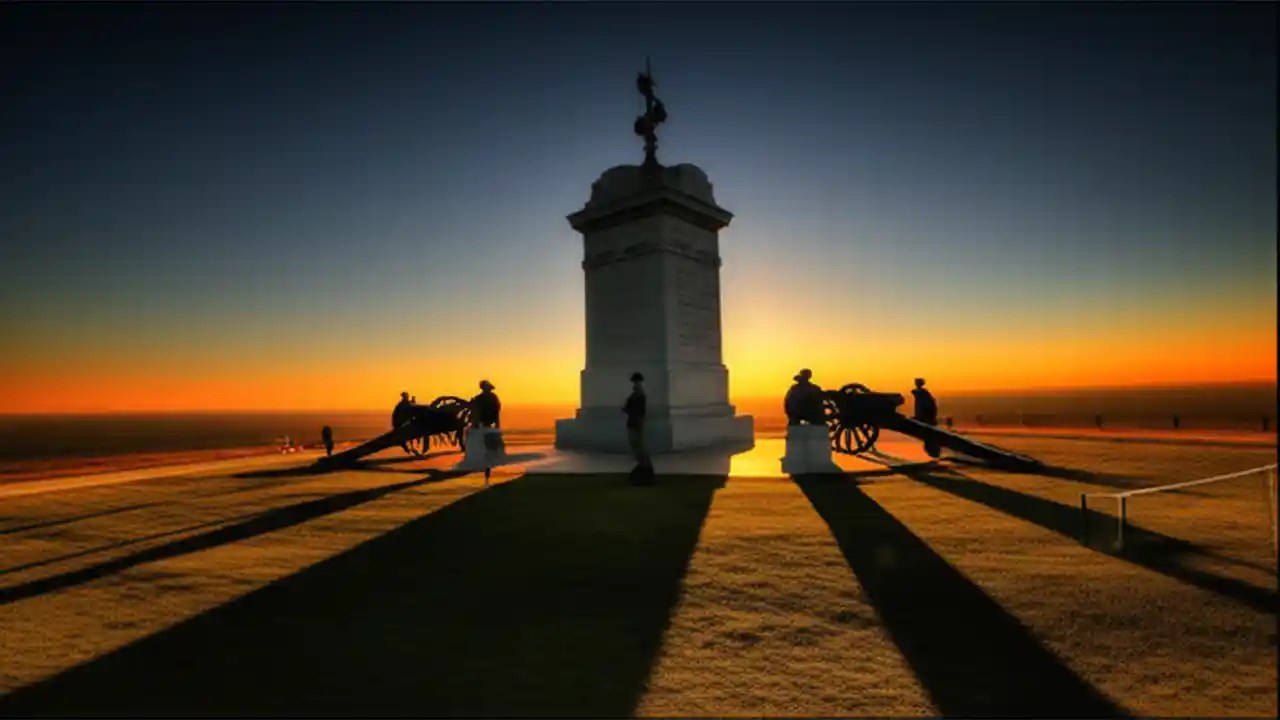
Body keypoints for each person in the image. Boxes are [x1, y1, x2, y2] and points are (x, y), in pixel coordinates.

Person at [469, 380, 503, 484]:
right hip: (485, 425)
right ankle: (487, 467)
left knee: (489, 447)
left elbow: (496, 412)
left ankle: (487, 467)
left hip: (487, 425)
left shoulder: (486, 398)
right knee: (488, 447)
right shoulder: (486, 398)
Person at [623, 372, 653, 483]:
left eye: (635, 382)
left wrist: (627, 410)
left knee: (638, 447)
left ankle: (646, 469)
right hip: (635, 422)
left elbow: (636, 410)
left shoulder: (638, 395)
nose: (634, 384)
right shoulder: (638, 394)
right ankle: (645, 468)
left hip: (635, 423)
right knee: (637, 447)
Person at [912, 378, 941, 458]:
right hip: (926, 418)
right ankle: (934, 451)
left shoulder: (923, 395)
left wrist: (921, 417)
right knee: (929, 436)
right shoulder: (923, 395)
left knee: (929, 436)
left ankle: (934, 451)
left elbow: (926, 407)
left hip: (927, 419)